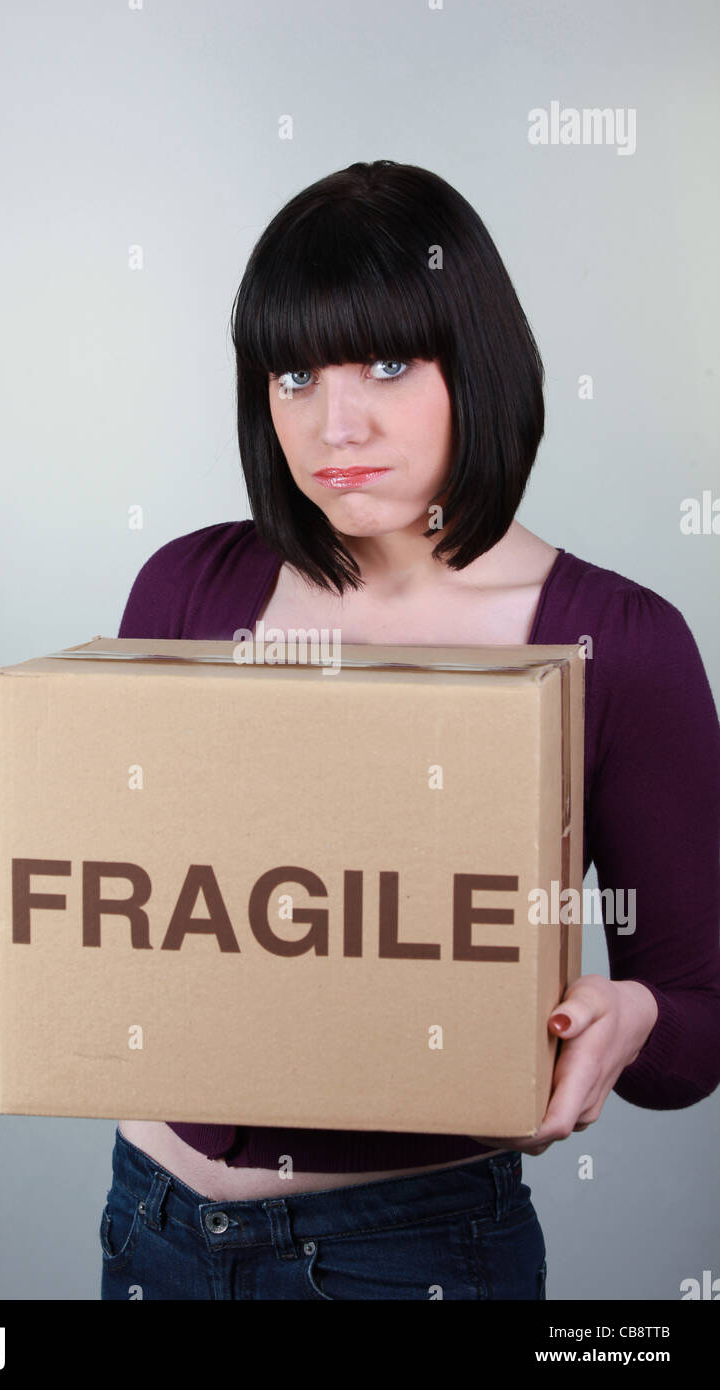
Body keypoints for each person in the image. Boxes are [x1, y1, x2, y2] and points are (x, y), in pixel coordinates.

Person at [100, 160, 720, 1301]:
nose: (335, 423)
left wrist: (627, 1014)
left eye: (389, 362)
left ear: (475, 363)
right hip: (150, 1224)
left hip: (410, 1251)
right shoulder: (184, 591)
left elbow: (698, 1019)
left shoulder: (616, 643)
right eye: (293, 373)